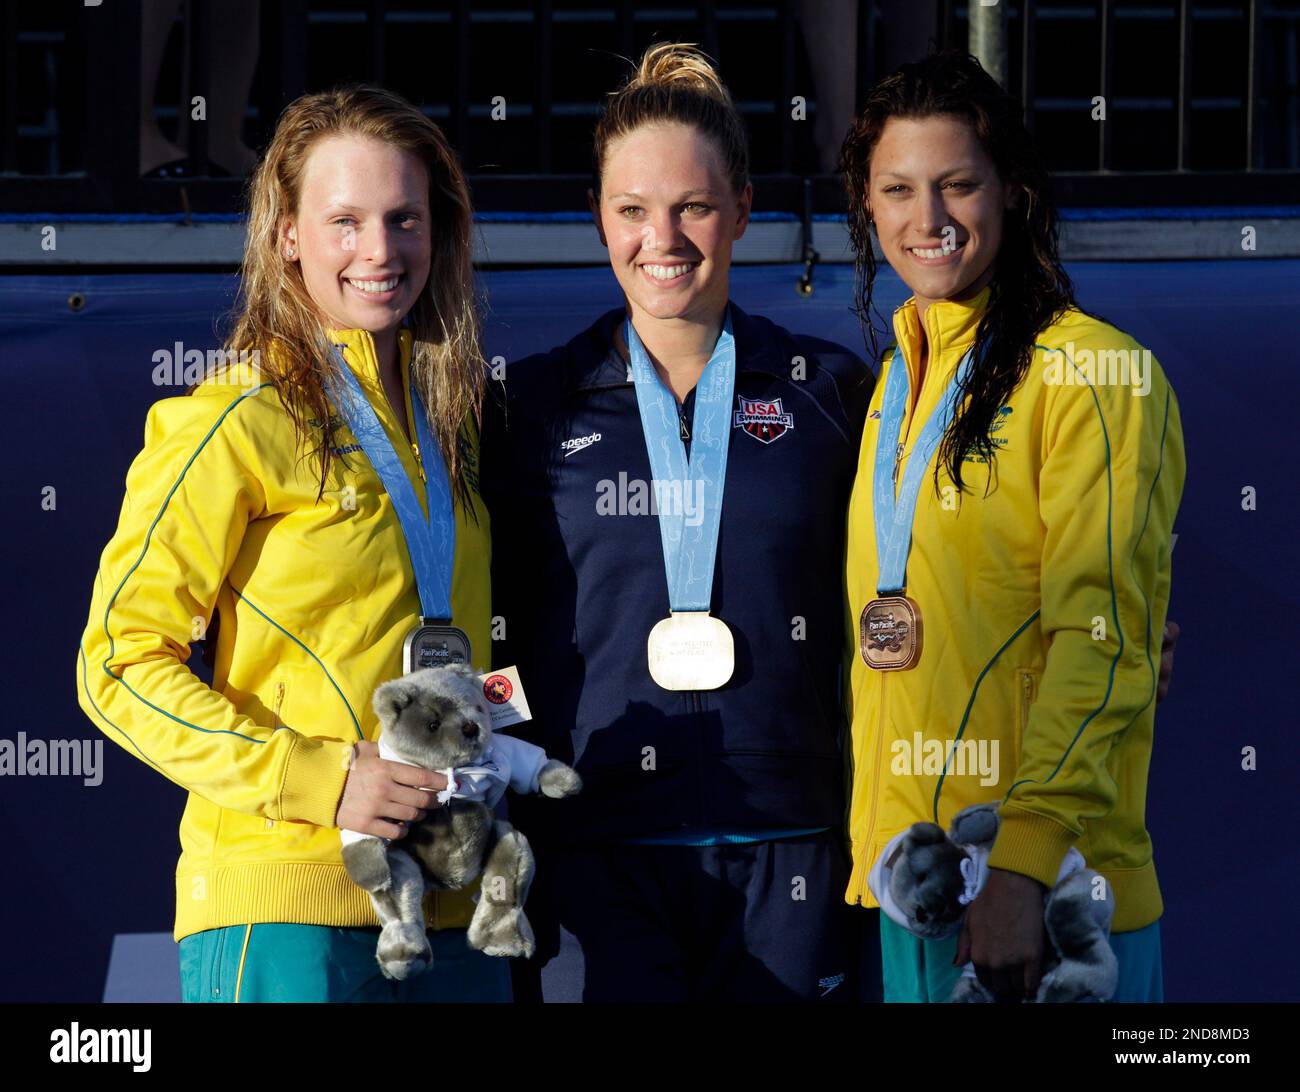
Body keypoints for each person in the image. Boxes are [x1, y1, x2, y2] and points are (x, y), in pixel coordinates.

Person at [74, 84, 508, 1002]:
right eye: (343, 221)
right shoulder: (232, 419)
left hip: (446, 913)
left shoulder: (456, 431)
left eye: (404, 218)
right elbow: (114, 662)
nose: (379, 251)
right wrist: (318, 777)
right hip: (288, 916)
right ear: (287, 236)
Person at [480, 42, 874, 1002]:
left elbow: (920, 569)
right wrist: (515, 802)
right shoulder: (531, 406)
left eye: (694, 206)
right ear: (598, 219)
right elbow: (483, 622)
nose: (664, 237)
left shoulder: (827, 391)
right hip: (595, 857)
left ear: (741, 209)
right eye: (632, 210)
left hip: (794, 850)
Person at [837, 51, 1186, 1003]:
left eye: (958, 185)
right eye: (897, 190)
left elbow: (1101, 642)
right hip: (914, 888)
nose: (929, 220)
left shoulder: (1097, 376)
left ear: (1014, 193)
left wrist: (1024, 866)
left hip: (1055, 903)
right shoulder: (895, 384)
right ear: (865, 206)